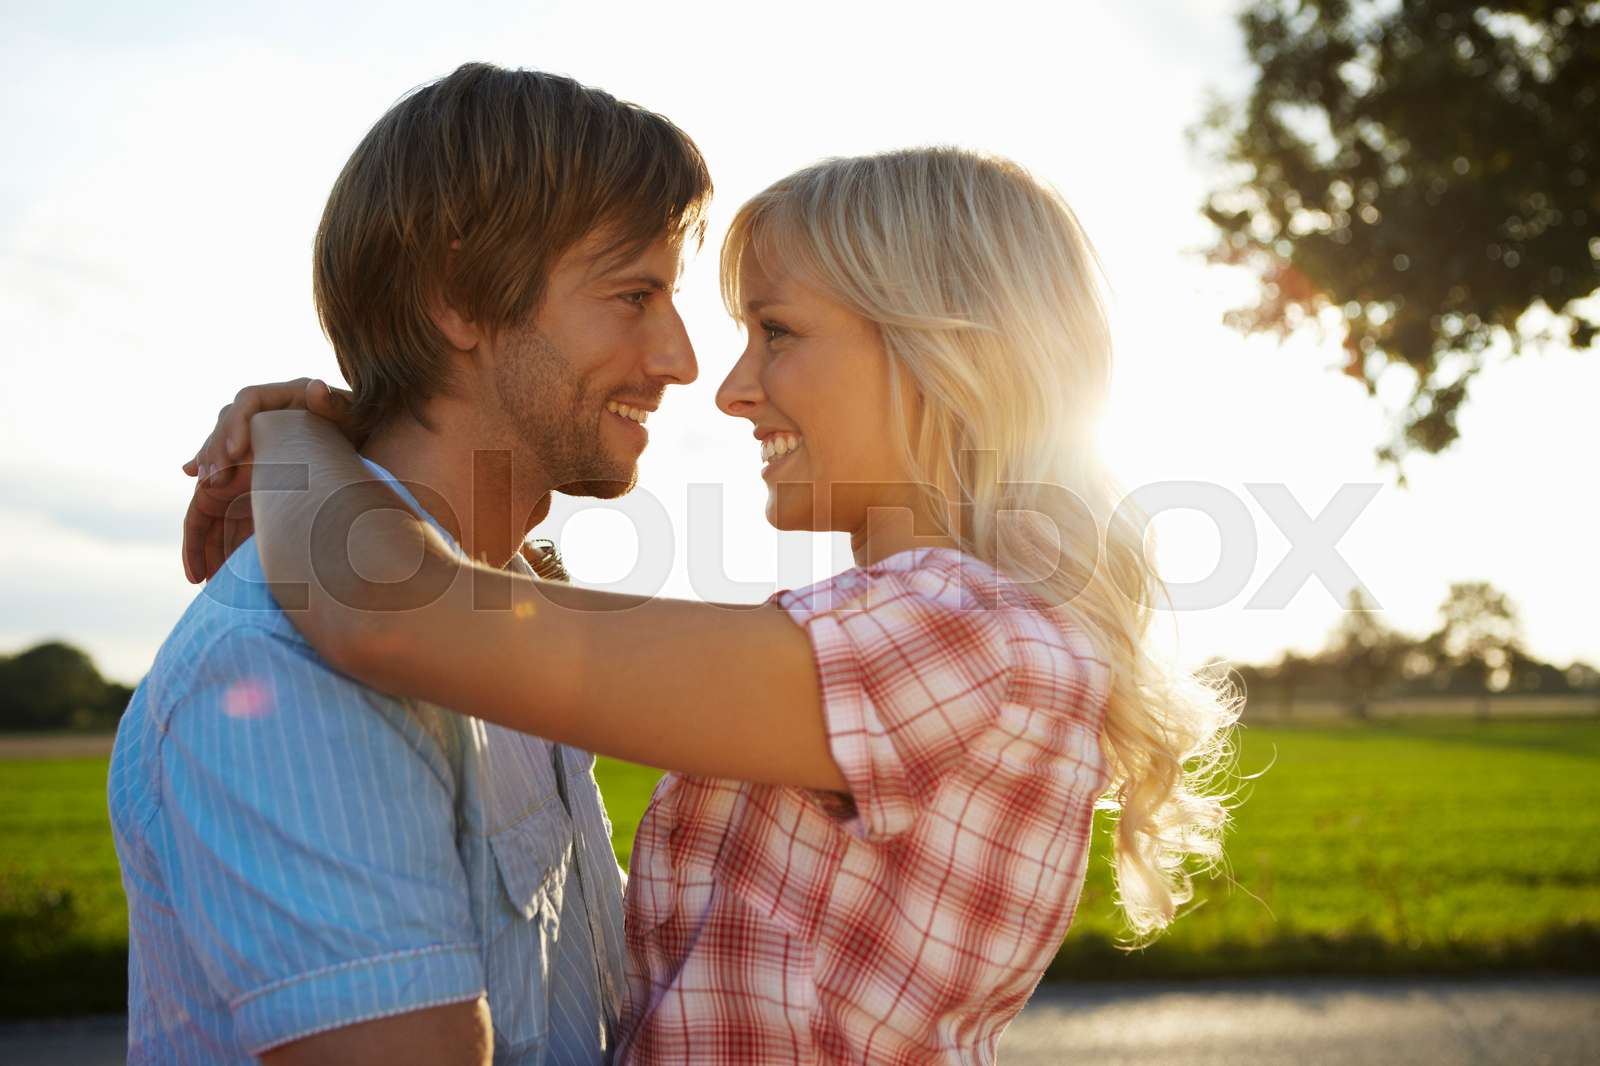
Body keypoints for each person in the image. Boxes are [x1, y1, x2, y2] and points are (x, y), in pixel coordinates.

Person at [193, 148, 1240, 1063]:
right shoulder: (938, 626)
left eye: (777, 331)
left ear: (947, 355)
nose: (730, 387)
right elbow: (496, 614)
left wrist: (295, 436)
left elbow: (397, 613)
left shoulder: (961, 637)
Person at [109, 62, 712, 1065]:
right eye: (633, 295)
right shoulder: (284, 664)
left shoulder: (504, 624)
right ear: (458, 298)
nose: (680, 358)